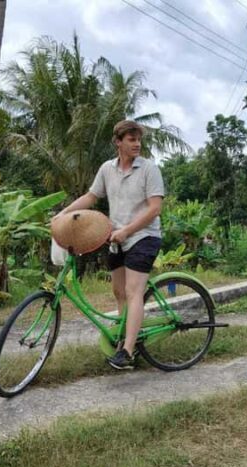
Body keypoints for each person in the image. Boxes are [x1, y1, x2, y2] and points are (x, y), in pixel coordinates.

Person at [55, 120, 165, 369]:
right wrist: (63, 213)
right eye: (131, 139)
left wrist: (127, 230)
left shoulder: (149, 169)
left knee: (133, 291)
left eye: (138, 140)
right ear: (118, 142)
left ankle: (127, 351)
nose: (137, 144)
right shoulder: (107, 169)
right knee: (118, 292)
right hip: (117, 238)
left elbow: (155, 208)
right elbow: (91, 196)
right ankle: (126, 336)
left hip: (143, 236)